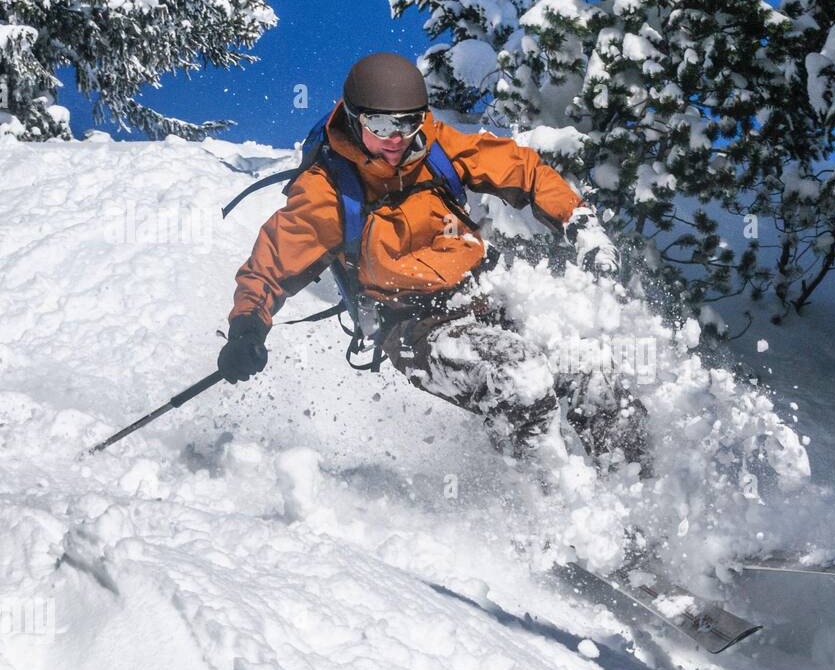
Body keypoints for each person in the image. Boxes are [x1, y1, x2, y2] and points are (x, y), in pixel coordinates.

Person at [218, 52, 648, 476]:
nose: (396, 138)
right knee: (519, 378)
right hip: (416, 326)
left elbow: (522, 170)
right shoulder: (328, 191)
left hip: (486, 292)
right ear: (353, 118)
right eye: (380, 125)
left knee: (588, 367)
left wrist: (579, 222)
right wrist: (247, 329)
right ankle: (552, 505)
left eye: (408, 122)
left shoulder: (437, 147)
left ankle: (634, 484)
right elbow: (270, 265)